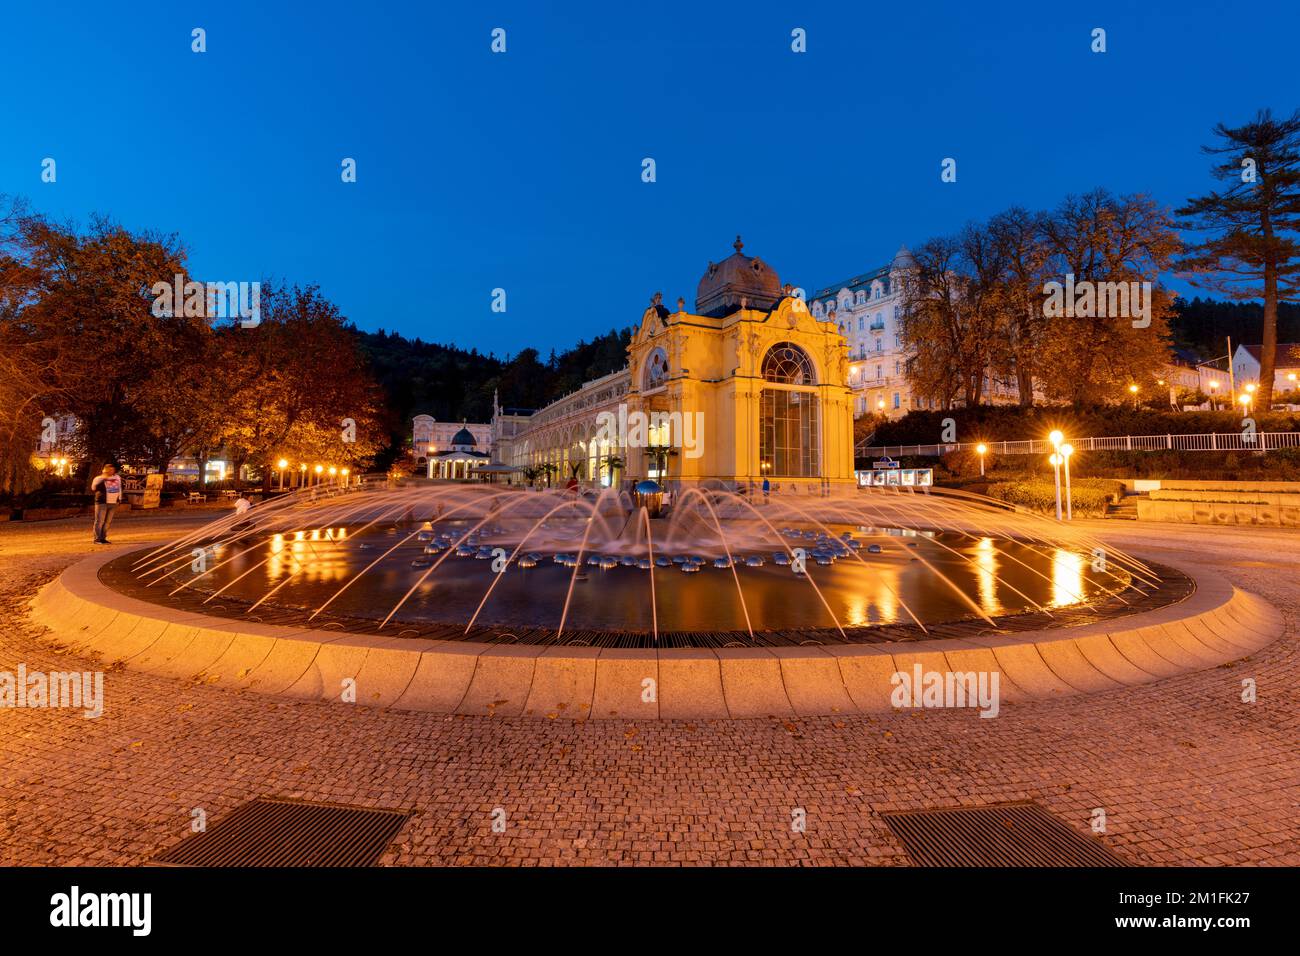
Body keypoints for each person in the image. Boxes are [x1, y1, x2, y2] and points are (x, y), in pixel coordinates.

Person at [90, 463, 123, 544]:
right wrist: (103, 479)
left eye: (112, 470)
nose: (111, 471)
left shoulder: (117, 477)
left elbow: (119, 488)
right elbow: (93, 488)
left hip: (113, 502)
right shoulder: (98, 478)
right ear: (105, 470)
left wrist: (119, 499)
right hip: (102, 502)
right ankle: (97, 539)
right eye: (109, 470)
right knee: (99, 521)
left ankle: (103, 537)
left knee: (107, 522)